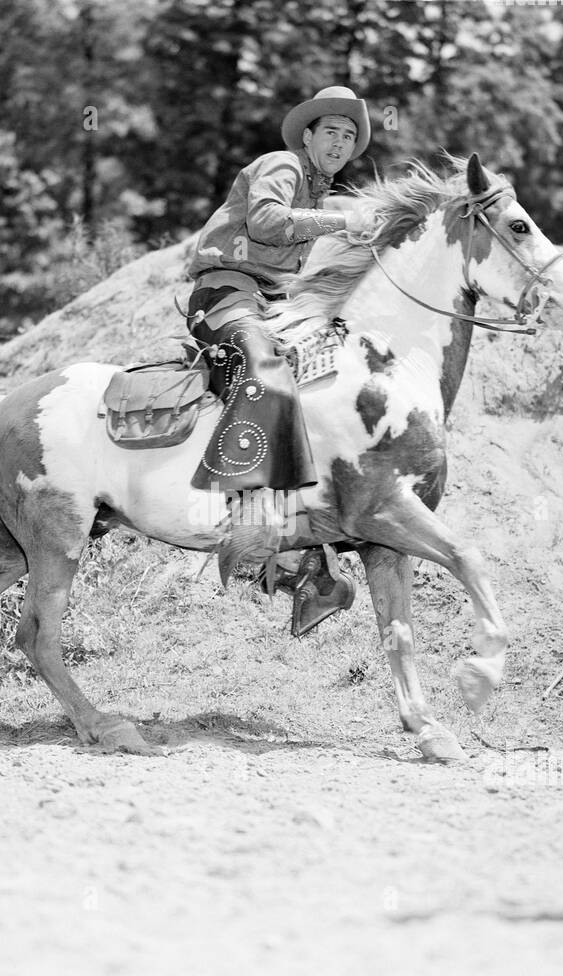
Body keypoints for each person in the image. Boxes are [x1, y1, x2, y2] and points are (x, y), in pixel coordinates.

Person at [186, 86, 372, 634]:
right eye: (331, 132)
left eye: (349, 136)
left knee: (326, 388)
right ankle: (245, 537)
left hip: (270, 301)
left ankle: (305, 556)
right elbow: (267, 222)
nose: (340, 143)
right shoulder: (282, 163)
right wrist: (340, 223)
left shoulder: (317, 189)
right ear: (308, 136)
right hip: (225, 293)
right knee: (265, 374)